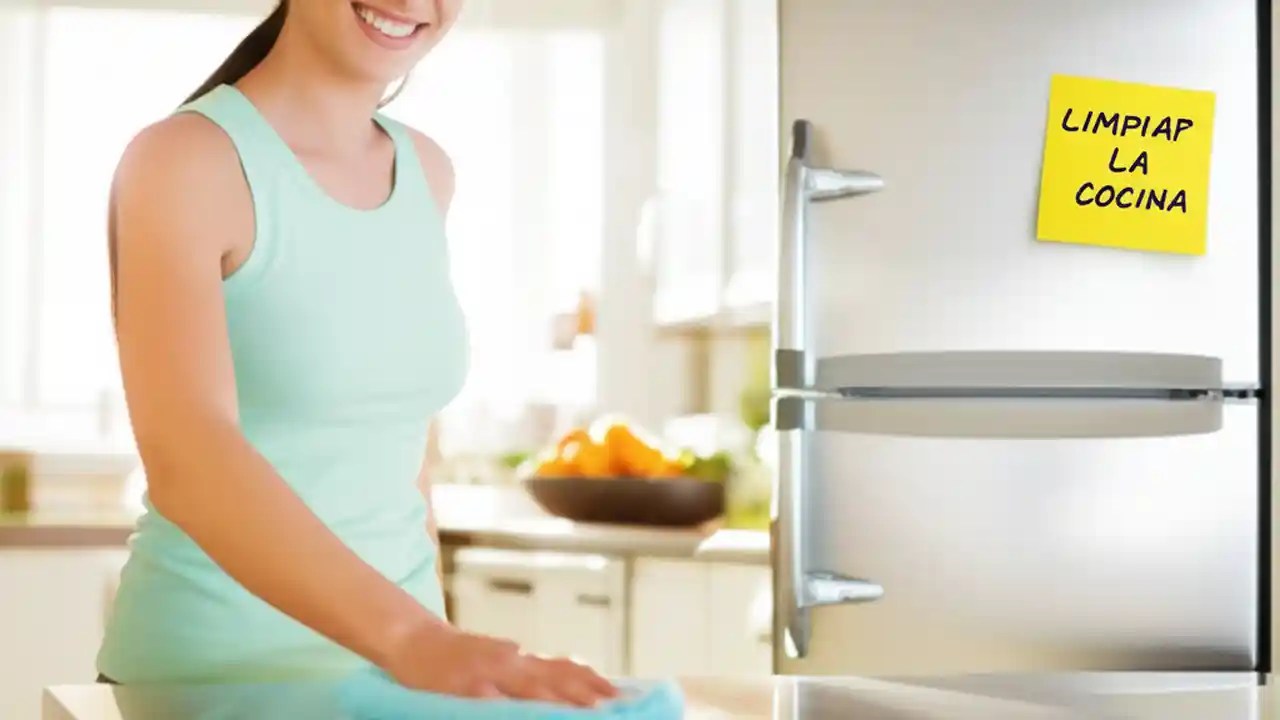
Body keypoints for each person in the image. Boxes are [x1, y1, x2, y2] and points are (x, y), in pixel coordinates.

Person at [98, 0, 617, 707]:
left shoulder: (428, 172)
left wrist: (437, 645)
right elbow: (191, 457)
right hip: (210, 683)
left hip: (392, 687)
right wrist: (413, 640)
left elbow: (406, 461)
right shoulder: (184, 160)